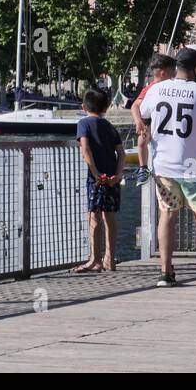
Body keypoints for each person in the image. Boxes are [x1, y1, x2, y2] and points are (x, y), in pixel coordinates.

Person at [138, 46, 196, 288]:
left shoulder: (157, 89)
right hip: (192, 164)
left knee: (167, 215)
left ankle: (165, 272)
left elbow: (142, 112)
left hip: (163, 165)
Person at [74, 87, 123, 273]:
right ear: (107, 107)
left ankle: (95, 259)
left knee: (94, 216)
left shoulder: (83, 123)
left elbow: (85, 149)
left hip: (96, 178)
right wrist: (118, 175)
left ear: (83, 106)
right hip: (112, 178)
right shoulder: (110, 126)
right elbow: (121, 153)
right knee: (109, 217)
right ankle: (110, 258)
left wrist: (94, 172)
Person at [133, 53, 176, 173]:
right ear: (163, 73)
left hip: (163, 124)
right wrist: (138, 121)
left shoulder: (171, 86)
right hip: (151, 122)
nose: (176, 74)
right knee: (142, 140)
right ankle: (143, 168)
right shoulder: (151, 88)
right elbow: (135, 105)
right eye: (173, 71)